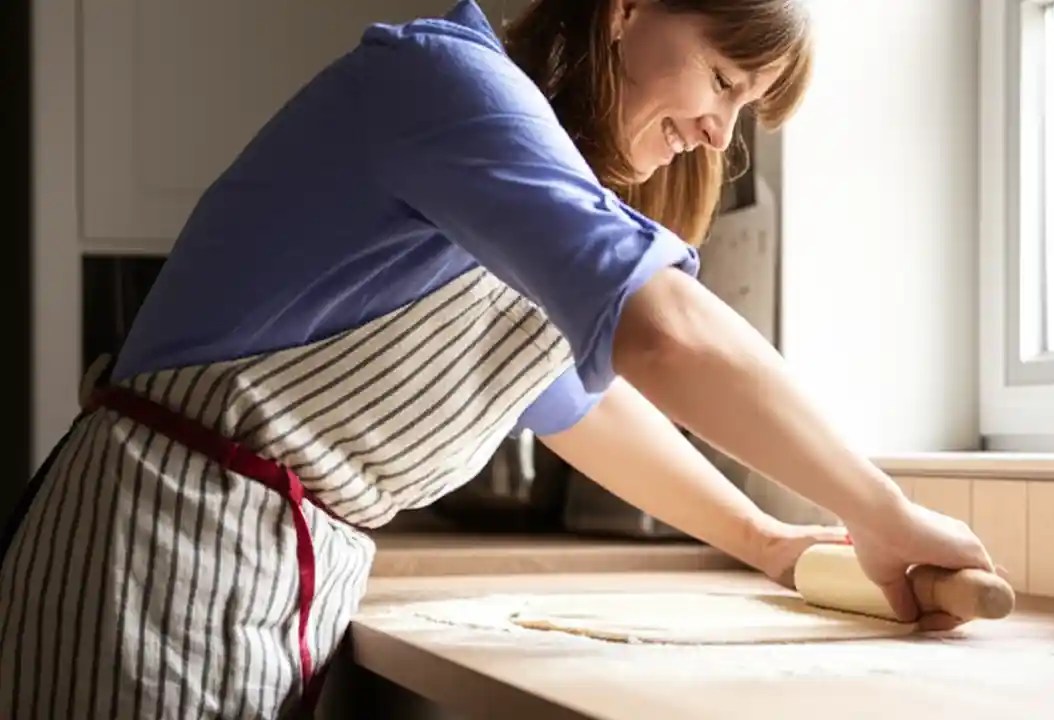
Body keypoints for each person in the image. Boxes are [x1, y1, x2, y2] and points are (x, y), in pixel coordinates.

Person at [0, 0, 994, 717]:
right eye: (723, 81)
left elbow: (574, 403)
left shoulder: (512, 182)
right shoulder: (443, 83)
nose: (715, 131)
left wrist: (766, 539)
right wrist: (884, 513)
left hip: (262, 574)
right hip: (153, 554)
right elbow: (662, 332)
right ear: (626, 10)